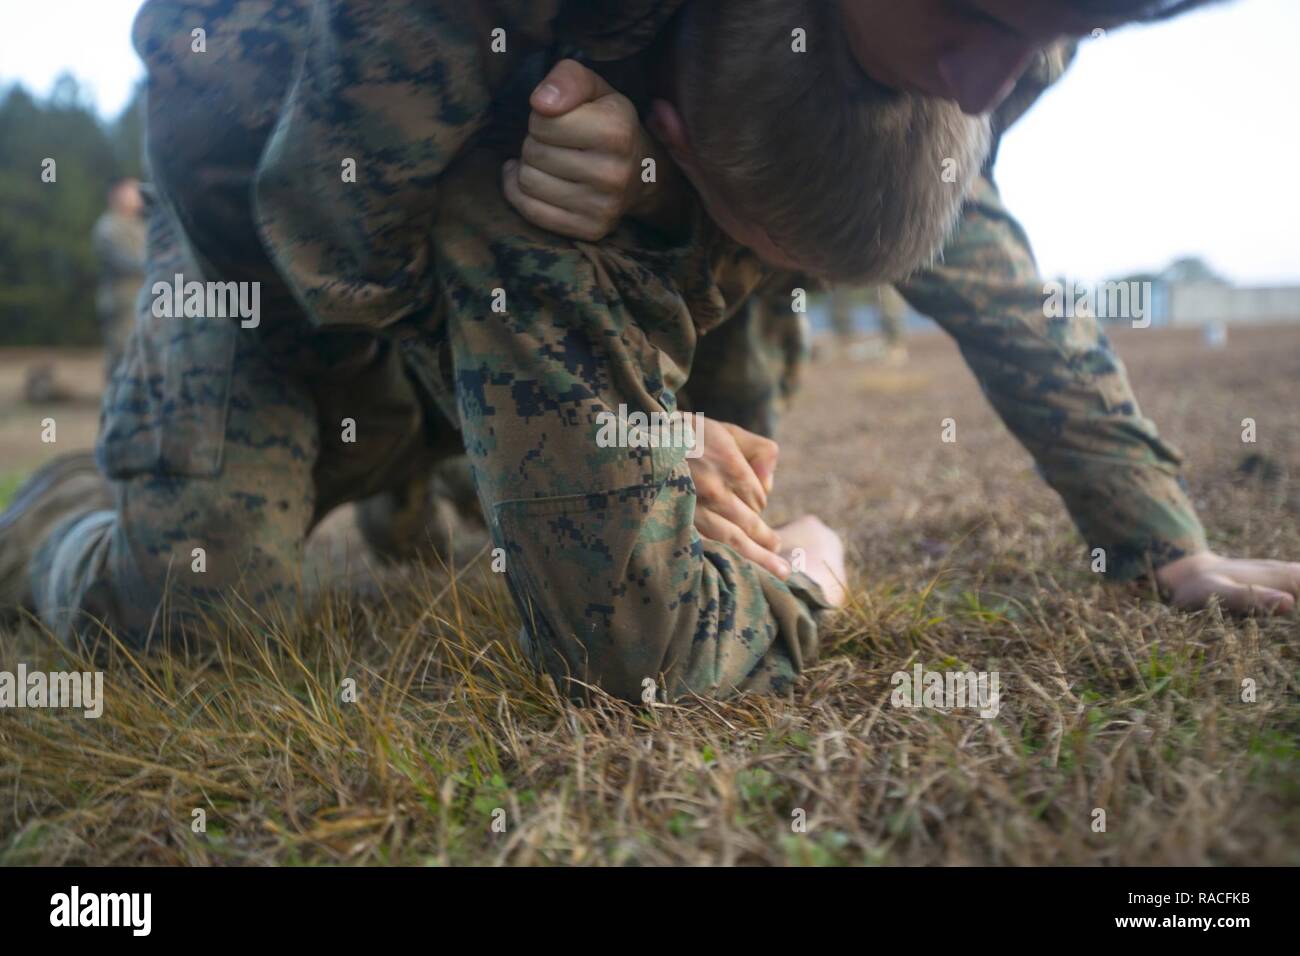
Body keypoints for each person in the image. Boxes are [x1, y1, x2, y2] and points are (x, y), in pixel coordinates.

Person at [92, 177, 147, 377]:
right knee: (124, 357)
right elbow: (126, 262)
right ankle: (117, 405)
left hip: (143, 301)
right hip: (123, 303)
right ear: (118, 196)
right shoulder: (109, 227)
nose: (140, 195)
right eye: (134, 191)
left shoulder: (140, 225)